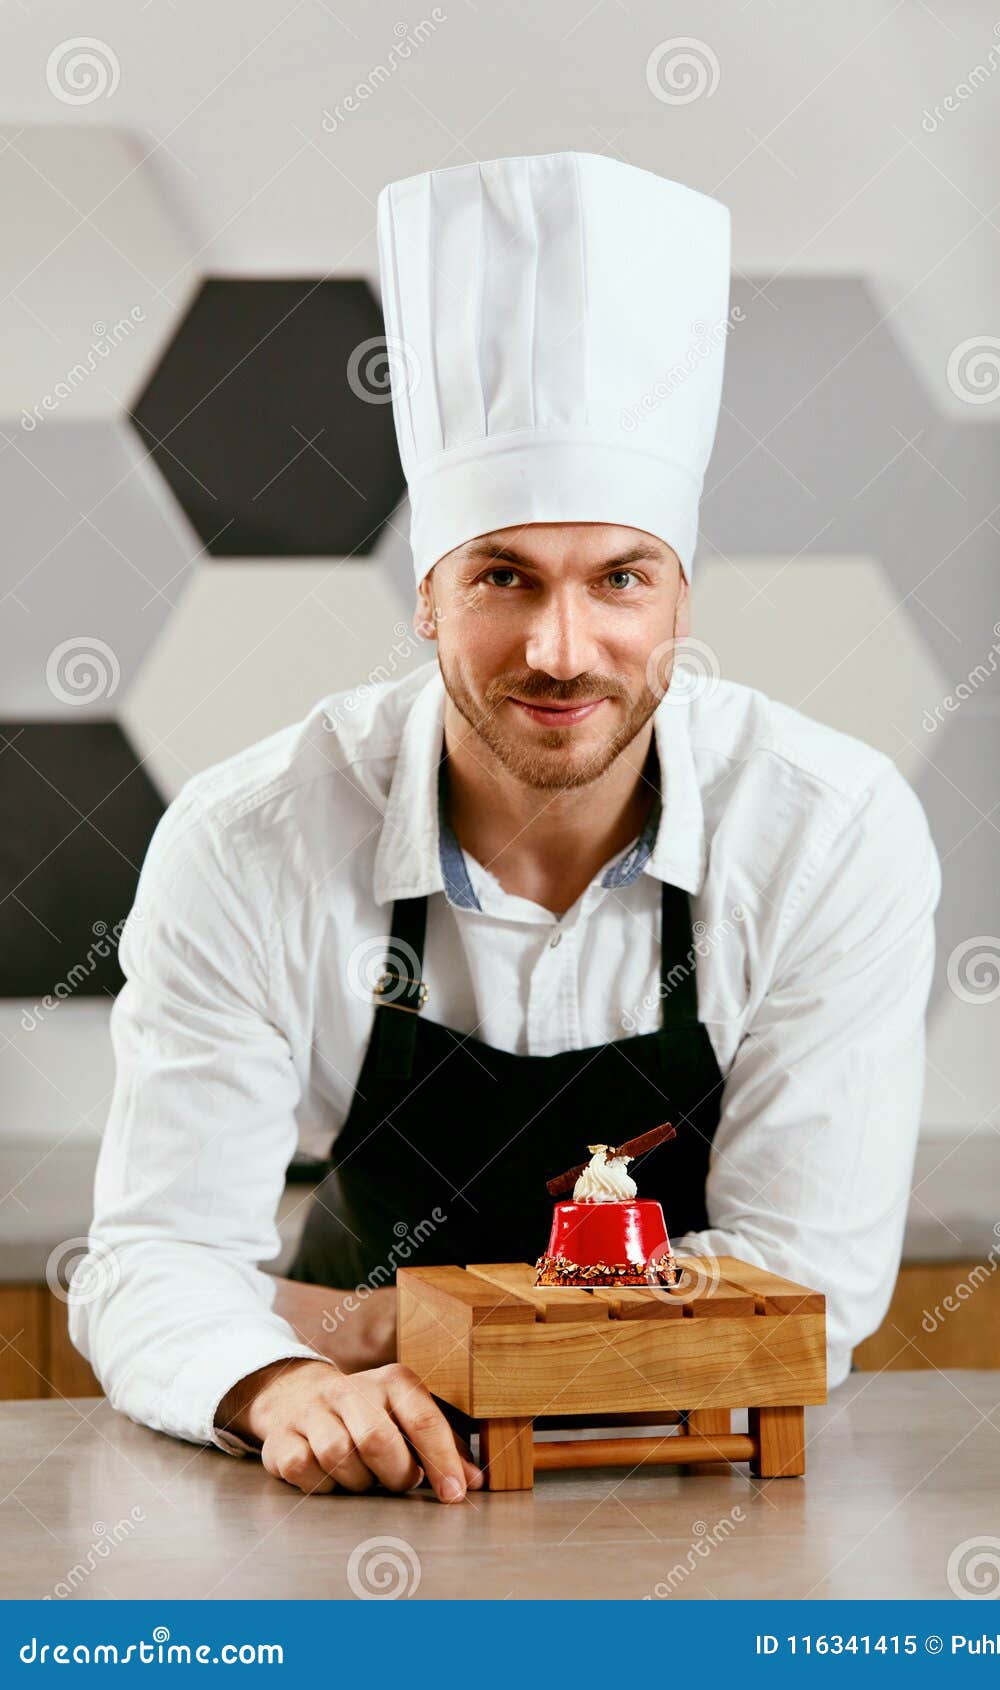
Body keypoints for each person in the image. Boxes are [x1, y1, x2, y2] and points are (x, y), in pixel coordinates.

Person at [72, 152, 941, 1503]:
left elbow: (807, 1293)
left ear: (680, 600)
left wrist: (388, 1322)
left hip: (690, 1495)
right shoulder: (250, 837)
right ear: (425, 595)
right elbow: (154, 1258)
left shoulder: (829, 833)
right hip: (342, 1478)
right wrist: (288, 1376)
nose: (560, 645)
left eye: (618, 579)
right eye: (504, 577)